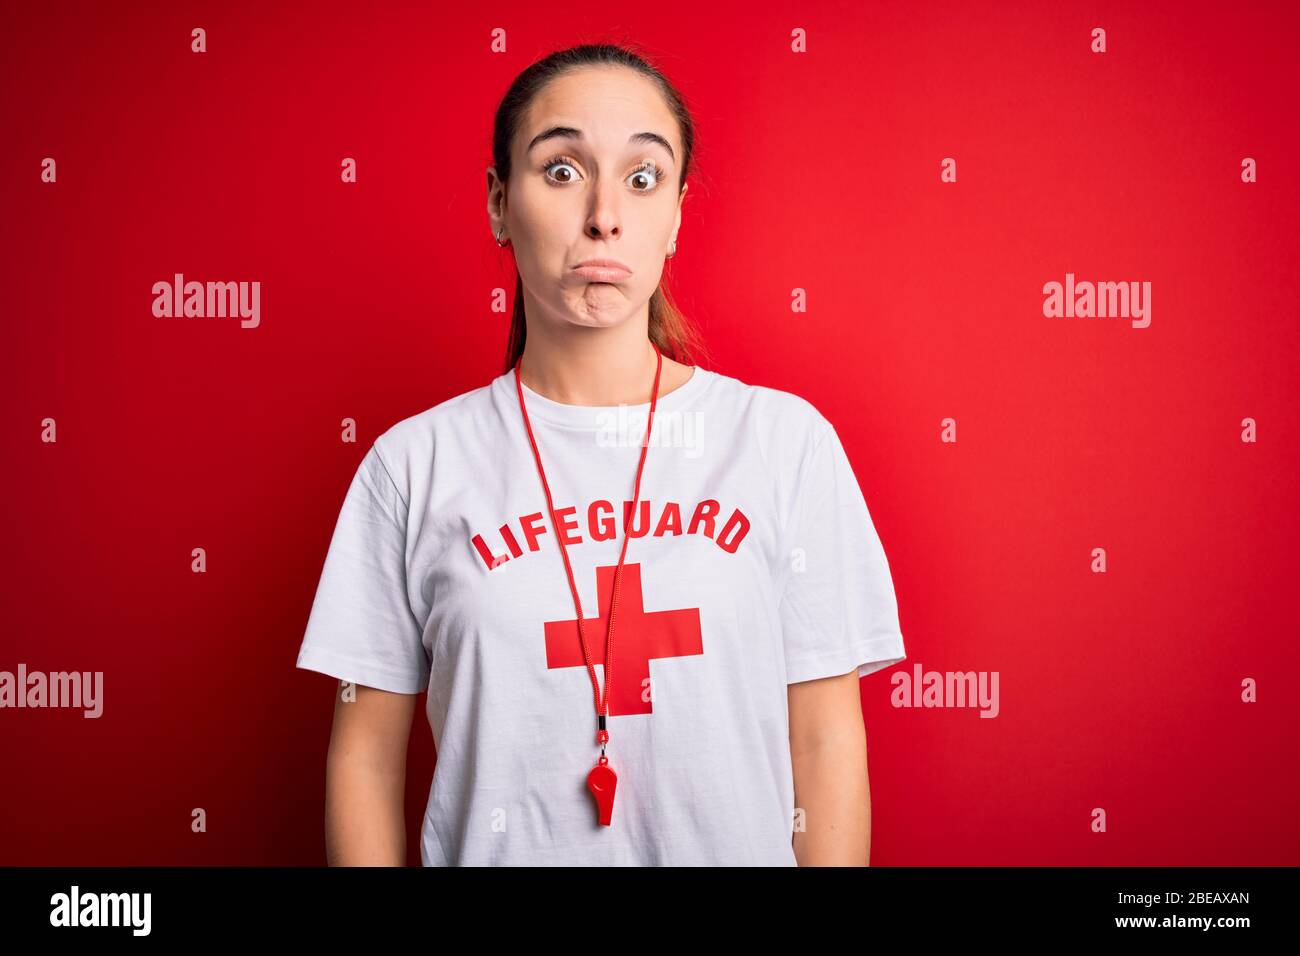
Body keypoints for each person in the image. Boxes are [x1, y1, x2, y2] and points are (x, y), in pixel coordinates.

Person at [296, 42, 907, 866]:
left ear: (678, 214)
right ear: (498, 203)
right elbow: (365, 759)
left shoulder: (785, 443)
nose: (604, 215)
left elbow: (826, 740)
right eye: (560, 171)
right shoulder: (412, 466)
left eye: (642, 177)